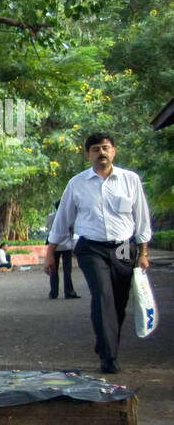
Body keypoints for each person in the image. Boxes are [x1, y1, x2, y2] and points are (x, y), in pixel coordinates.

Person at [46, 132, 152, 374]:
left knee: (119, 298)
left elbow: (142, 218)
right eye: (95, 149)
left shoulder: (130, 180)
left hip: (125, 246)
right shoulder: (77, 183)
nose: (101, 152)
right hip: (91, 247)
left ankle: (108, 344)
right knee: (103, 294)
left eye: (105, 148)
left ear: (113, 151)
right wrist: (50, 252)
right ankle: (108, 356)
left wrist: (143, 252)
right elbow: (62, 221)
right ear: (87, 154)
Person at [46, 203, 79, 299]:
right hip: (66, 245)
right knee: (67, 270)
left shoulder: (50, 217)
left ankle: (53, 292)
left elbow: (49, 229)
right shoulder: (68, 216)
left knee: (53, 270)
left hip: (54, 245)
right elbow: (72, 230)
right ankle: (69, 291)